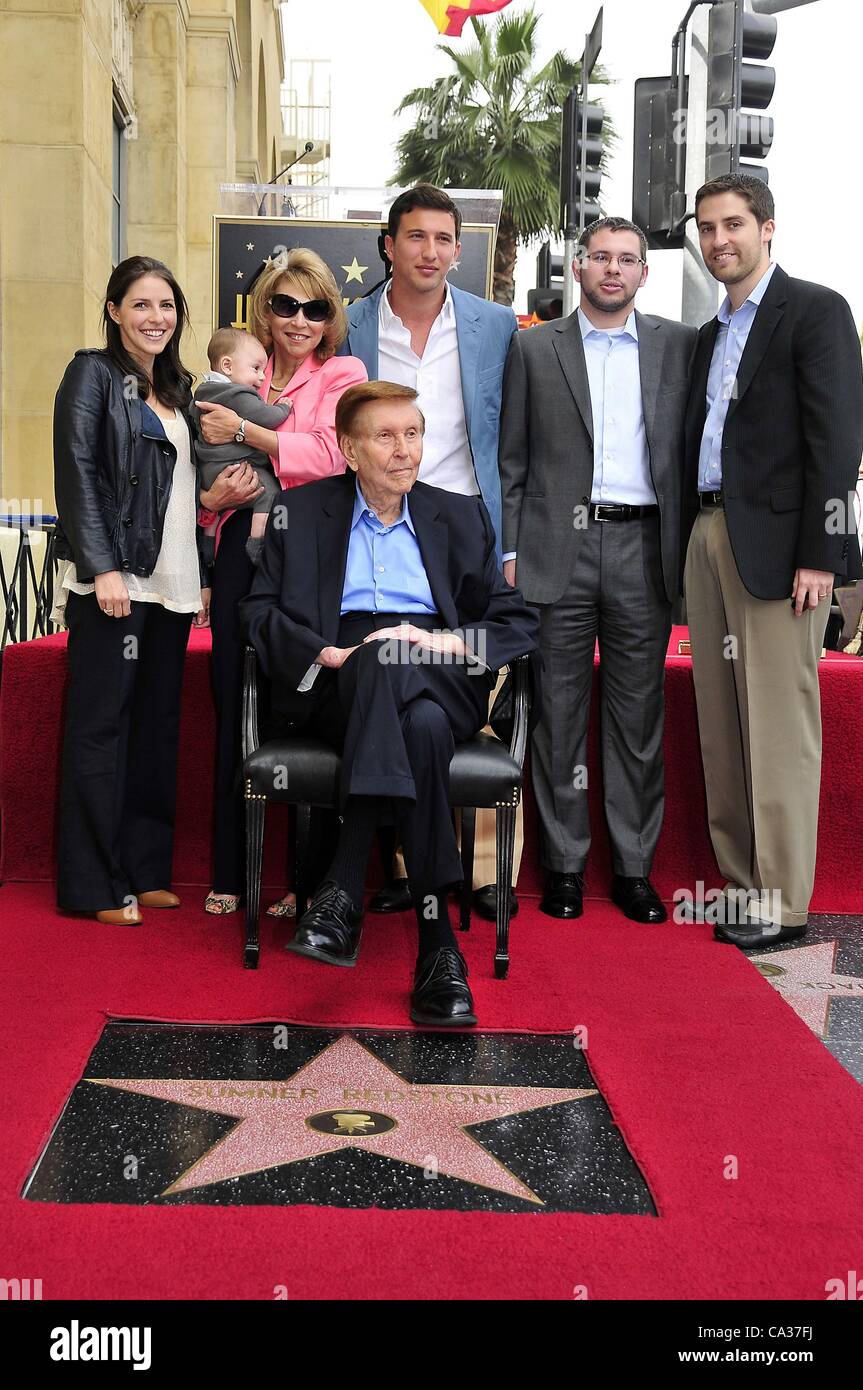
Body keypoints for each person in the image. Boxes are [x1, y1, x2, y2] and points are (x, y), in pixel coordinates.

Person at [241, 381, 539, 1026]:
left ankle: (343, 884)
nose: (405, 450)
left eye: (413, 433)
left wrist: (440, 639)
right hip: (339, 675)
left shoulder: (459, 515)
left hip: (438, 660)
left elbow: (516, 621)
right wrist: (328, 655)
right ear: (348, 450)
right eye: (386, 436)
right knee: (422, 726)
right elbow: (257, 614)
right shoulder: (303, 511)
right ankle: (439, 950)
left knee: (400, 668)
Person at [682, 174, 863, 949]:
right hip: (708, 535)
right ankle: (739, 883)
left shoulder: (815, 311)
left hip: (782, 550)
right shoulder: (708, 333)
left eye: (732, 224)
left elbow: (836, 442)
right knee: (721, 724)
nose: (718, 239)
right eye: (706, 227)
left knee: (779, 725)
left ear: (766, 228)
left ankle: (781, 899)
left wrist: (822, 555)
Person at [499, 217, 696, 923]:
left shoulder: (680, 346)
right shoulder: (532, 348)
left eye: (627, 259)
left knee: (636, 718)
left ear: (644, 272)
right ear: (576, 268)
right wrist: (511, 552)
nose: (612, 270)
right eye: (600, 258)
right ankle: (562, 867)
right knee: (556, 715)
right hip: (556, 551)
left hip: (643, 549)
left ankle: (634, 870)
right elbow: (512, 462)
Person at [343, 182, 521, 919]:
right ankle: (402, 872)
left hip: (460, 533)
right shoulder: (349, 323)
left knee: (458, 687)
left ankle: (474, 873)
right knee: (396, 678)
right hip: (374, 518)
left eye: (444, 239)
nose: (430, 252)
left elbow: (509, 436)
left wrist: (505, 545)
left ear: (459, 247)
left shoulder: (495, 325)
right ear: (389, 245)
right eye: (415, 237)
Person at [196, 248, 366, 918]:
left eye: (314, 308)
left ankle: (307, 879)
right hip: (237, 543)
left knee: (307, 702)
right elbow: (200, 460)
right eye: (285, 305)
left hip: (311, 552)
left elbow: (333, 454)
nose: (299, 320)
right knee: (234, 701)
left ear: (331, 317)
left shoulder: (344, 372)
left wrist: (244, 429)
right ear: (264, 309)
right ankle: (232, 872)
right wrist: (211, 499)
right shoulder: (237, 369)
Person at [52, 255, 209, 925]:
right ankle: (93, 884)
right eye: (141, 305)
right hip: (116, 582)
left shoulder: (180, 388)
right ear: (114, 310)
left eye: (166, 306)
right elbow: (77, 470)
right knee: (100, 730)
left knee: (154, 730)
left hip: (172, 584)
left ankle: (144, 870)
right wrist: (103, 566)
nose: (156, 318)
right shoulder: (92, 373)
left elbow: (180, 490)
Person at [193, 328, 292, 566]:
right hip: (234, 466)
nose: (261, 377)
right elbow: (265, 416)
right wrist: (283, 408)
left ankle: (207, 541)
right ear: (227, 366)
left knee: (219, 506)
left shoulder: (203, 391)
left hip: (209, 471)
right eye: (256, 368)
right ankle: (257, 541)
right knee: (268, 493)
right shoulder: (236, 394)